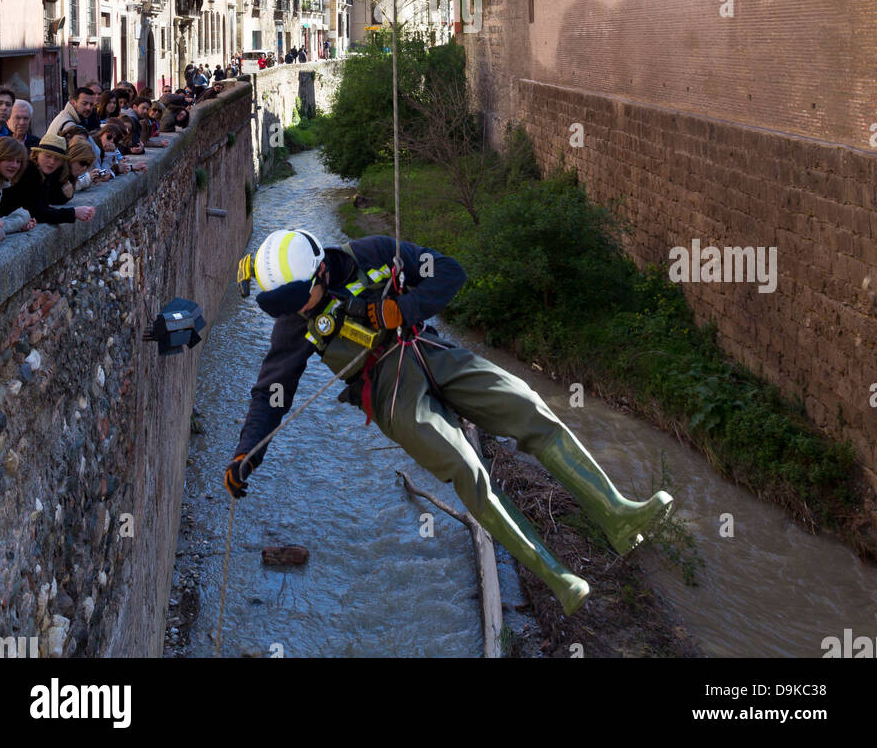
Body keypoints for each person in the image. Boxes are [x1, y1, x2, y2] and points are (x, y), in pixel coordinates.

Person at [228, 229, 672, 615]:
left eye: (302, 299)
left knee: (527, 405)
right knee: (465, 467)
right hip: (390, 393)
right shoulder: (293, 323)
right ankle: (559, 579)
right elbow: (271, 394)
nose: (298, 312)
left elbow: (449, 270)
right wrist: (247, 452)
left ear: (321, 271)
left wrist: (408, 307)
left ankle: (618, 515)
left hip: (427, 348)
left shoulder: (372, 252)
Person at [0, 134, 95, 225]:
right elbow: (38, 213)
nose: (52, 162)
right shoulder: (30, 171)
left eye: (57, 159)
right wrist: (73, 212)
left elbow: (43, 206)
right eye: (47, 156)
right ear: (37, 154)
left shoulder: (43, 173)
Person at [0, 138, 35, 232]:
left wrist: (19, 225)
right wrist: (19, 222)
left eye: (18, 161)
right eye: (9, 159)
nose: (14, 165)